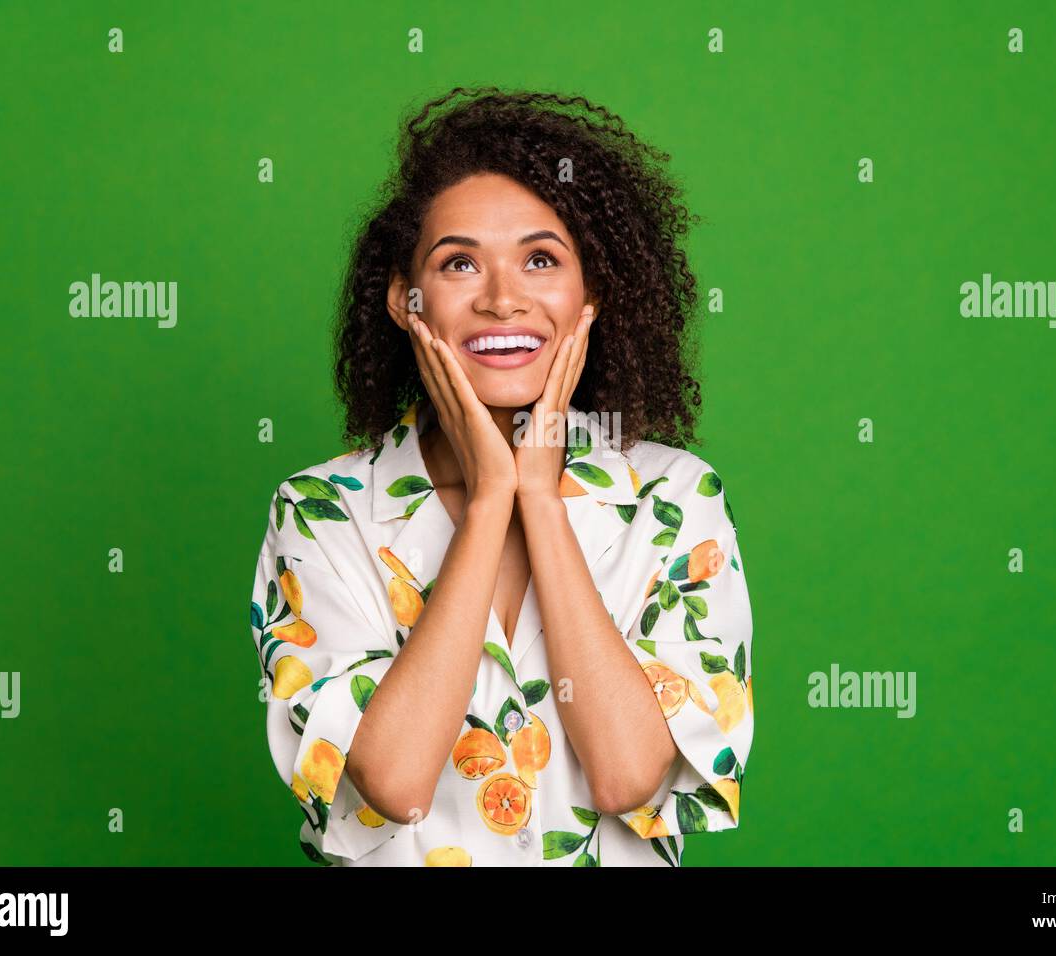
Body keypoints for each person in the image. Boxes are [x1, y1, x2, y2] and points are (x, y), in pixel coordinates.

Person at [248, 88, 753, 866]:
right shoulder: (321, 512)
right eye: (458, 264)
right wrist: (490, 503)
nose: (502, 298)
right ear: (404, 301)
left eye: (541, 259)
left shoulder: (675, 502)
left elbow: (627, 778)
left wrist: (540, 501)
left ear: (592, 294)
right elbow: (394, 783)